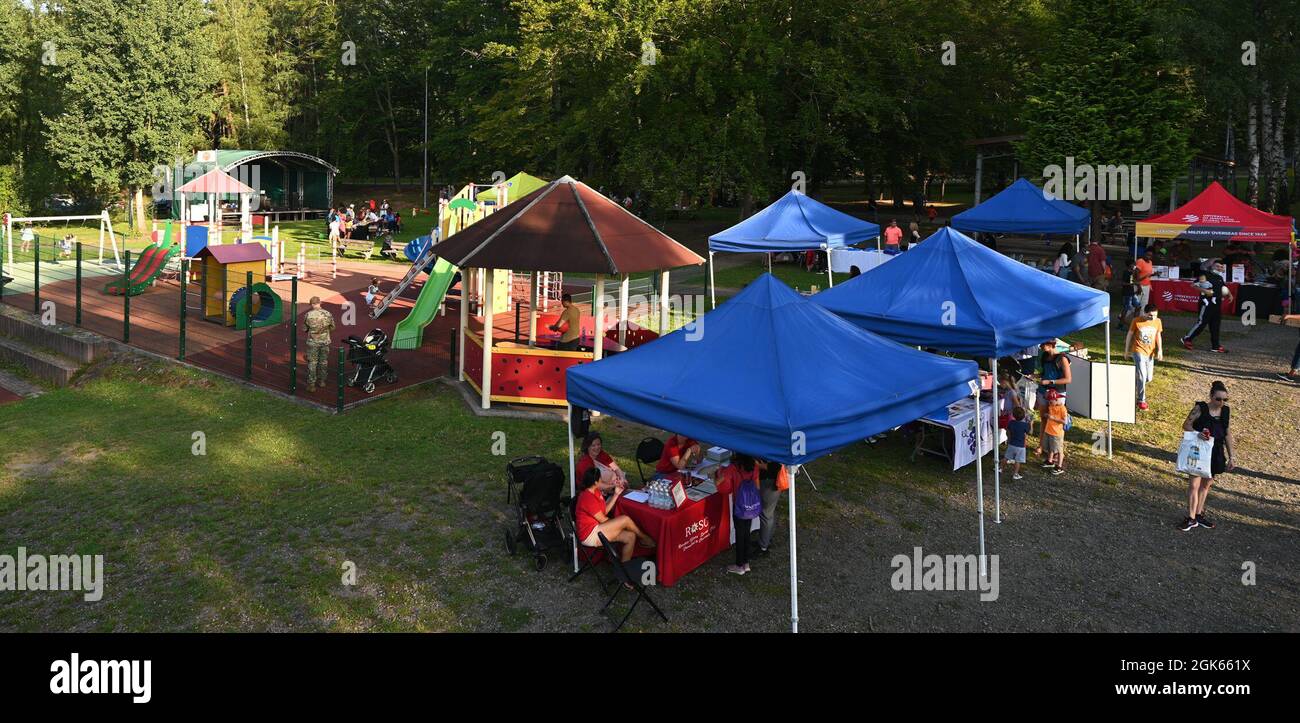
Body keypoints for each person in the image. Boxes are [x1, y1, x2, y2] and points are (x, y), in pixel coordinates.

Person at [1179, 381, 1235, 531]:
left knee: (1206, 485)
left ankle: (1198, 514)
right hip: (1199, 450)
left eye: (1225, 400)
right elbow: (1186, 425)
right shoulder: (1200, 408)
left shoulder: (1225, 412)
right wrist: (1198, 433)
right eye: (1218, 399)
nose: (1221, 402)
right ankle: (1191, 518)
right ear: (1211, 397)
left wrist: (1232, 456)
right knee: (1194, 485)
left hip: (1216, 451)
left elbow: (1227, 434)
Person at [574, 467, 655, 565]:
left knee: (630, 536)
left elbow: (604, 511)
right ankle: (645, 538)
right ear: (596, 482)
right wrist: (618, 524)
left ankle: (624, 571)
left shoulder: (596, 491)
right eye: (601, 479)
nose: (602, 480)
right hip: (590, 534)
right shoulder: (587, 498)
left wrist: (616, 494)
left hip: (599, 528)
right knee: (625, 520)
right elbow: (603, 519)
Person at [1181, 260, 1232, 353]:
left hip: (1217, 305)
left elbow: (1224, 288)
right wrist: (1205, 291)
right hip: (1206, 303)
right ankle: (1187, 339)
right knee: (1202, 323)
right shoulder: (1205, 275)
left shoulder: (1220, 277)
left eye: (1221, 267)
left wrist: (1230, 295)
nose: (1219, 268)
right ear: (1212, 266)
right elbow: (1193, 285)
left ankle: (1215, 346)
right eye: (1217, 266)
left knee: (1215, 326)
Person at [724, 453, 762, 575]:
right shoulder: (754, 466)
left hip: (739, 505)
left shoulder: (733, 467)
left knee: (740, 535)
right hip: (750, 505)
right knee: (746, 533)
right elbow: (757, 486)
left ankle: (739, 565)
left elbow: (724, 485)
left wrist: (716, 476)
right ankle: (746, 563)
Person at [1125, 303, 1163, 411]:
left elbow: (1158, 336)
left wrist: (1160, 350)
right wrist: (1126, 350)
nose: (1152, 318)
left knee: (1148, 378)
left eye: (1155, 315)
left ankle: (1134, 385)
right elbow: (1129, 335)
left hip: (1150, 353)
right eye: (1150, 315)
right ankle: (1141, 401)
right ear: (1144, 313)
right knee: (1142, 376)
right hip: (1138, 351)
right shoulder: (1136, 321)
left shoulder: (1158, 321)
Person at [303, 296, 335, 390]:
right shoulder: (328, 314)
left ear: (312, 304)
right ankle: (322, 381)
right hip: (325, 341)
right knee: (323, 362)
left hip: (313, 342)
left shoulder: (308, 315)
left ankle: (311, 385)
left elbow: (305, 329)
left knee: (312, 363)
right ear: (319, 303)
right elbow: (333, 327)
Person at [1035, 339, 1072, 421]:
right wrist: (1034, 375)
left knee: (1055, 420)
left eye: (1042, 344)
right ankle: (1042, 434)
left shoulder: (1062, 359)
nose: (1040, 347)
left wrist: (1050, 381)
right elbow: (1045, 373)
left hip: (1057, 393)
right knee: (1043, 418)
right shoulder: (1044, 356)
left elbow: (1068, 379)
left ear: (1050, 345)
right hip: (1043, 391)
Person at [754, 458, 785, 556]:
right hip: (772, 480)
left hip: (770, 481)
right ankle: (767, 538)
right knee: (770, 511)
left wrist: (758, 465)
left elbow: (774, 466)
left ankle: (763, 546)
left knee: (766, 514)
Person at [1041, 390, 1068, 475]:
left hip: (1057, 433)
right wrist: (1047, 416)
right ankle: (1050, 461)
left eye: (1050, 400)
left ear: (1056, 399)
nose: (1049, 402)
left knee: (1059, 449)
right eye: (1048, 400)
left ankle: (1059, 466)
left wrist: (1052, 418)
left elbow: (1064, 421)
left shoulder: (1062, 408)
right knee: (1050, 447)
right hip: (1049, 430)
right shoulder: (1051, 406)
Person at [1003, 407, 1030, 480]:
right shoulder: (1025, 425)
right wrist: (1031, 424)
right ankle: (1015, 474)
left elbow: (1007, 431)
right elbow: (1030, 432)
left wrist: (1009, 438)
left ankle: (1000, 468)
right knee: (1017, 461)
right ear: (1024, 416)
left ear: (1013, 415)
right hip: (1021, 446)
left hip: (1012, 443)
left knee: (1006, 457)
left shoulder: (1011, 422)